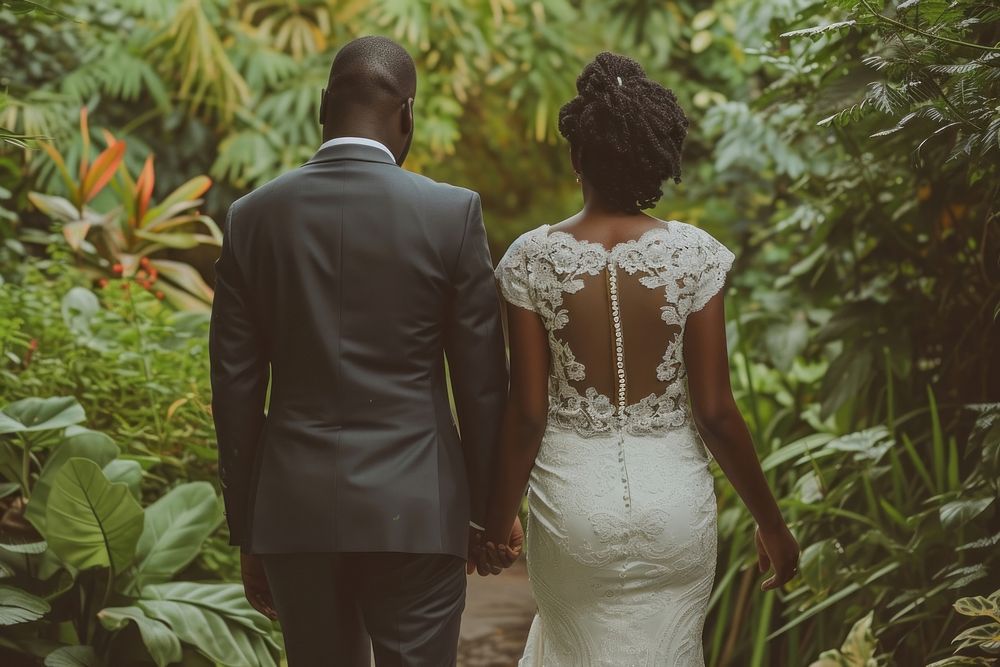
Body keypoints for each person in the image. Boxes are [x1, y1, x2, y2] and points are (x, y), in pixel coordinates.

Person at [479, 52, 800, 665]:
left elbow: (526, 414)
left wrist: (496, 524)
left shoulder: (530, 258)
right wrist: (772, 524)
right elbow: (715, 411)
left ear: (578, 158)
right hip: (675, 509)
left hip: (572, 511)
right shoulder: (695, 256)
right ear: (656, 158)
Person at [209, 35, 516, 666]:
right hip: (419, 508)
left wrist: (249, 529)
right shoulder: (451, 214)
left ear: (324, 105)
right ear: (408, 113)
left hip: (296, 514)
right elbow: (482, 383)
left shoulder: (252, 217)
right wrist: (488, 514)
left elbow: (235, 390)